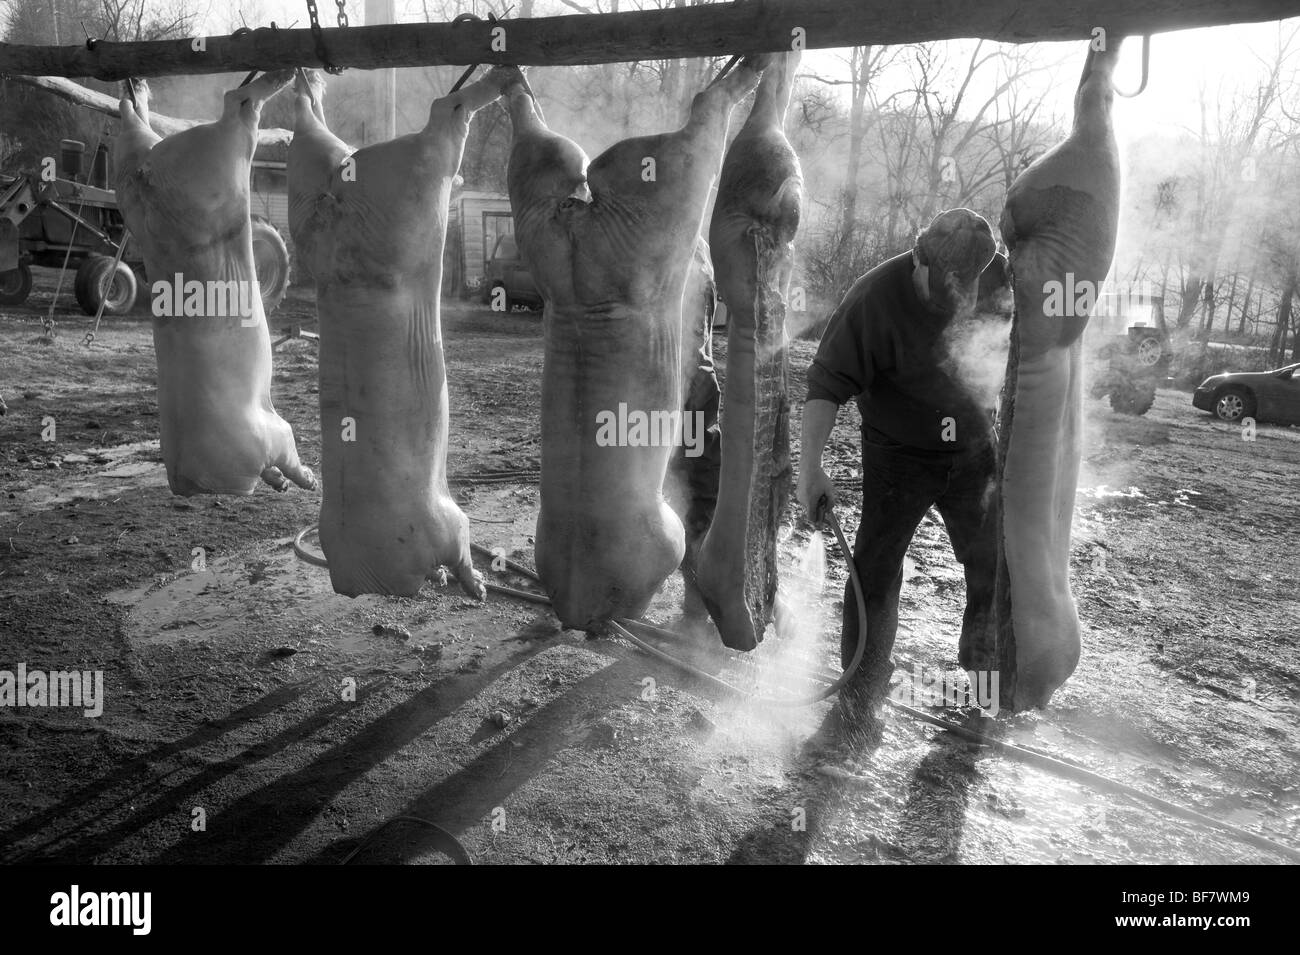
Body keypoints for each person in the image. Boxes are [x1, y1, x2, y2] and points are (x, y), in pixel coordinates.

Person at [795, 208, 1009, 743]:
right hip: (898, 453)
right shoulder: (874, 298)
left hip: (975, 450)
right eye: (947, 289)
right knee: (876, 568)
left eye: (971, 285)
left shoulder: (1002, 277)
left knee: (991, 563)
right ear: (918, 257)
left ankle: (986, 686)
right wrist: (811, 467)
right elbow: (826, 384)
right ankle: (860, 695)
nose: (962, 298)